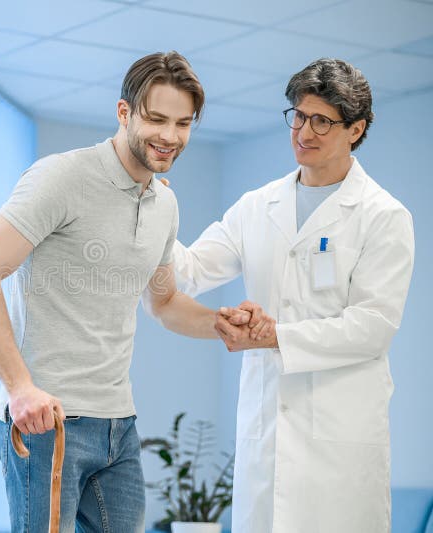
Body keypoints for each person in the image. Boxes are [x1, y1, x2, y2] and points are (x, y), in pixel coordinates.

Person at [0, 51, 268, 532]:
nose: (170, 136)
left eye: (183, 123)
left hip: (119, 426)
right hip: (48, 423)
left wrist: (218, 324)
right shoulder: (61, 177)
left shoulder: (164, 203)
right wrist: (20, 389)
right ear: (124, 113)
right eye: (157, 118)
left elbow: (163, 303)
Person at [172, 58, 415, 532]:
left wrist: (275, 336)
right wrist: (152, 209)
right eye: (298, 116)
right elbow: (190, 271)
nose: (304, 131)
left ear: (356, 128)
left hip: (340, 445)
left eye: (322, 120)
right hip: (268, 438)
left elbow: (372, 329)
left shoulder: (383, 216)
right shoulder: (258, 206)